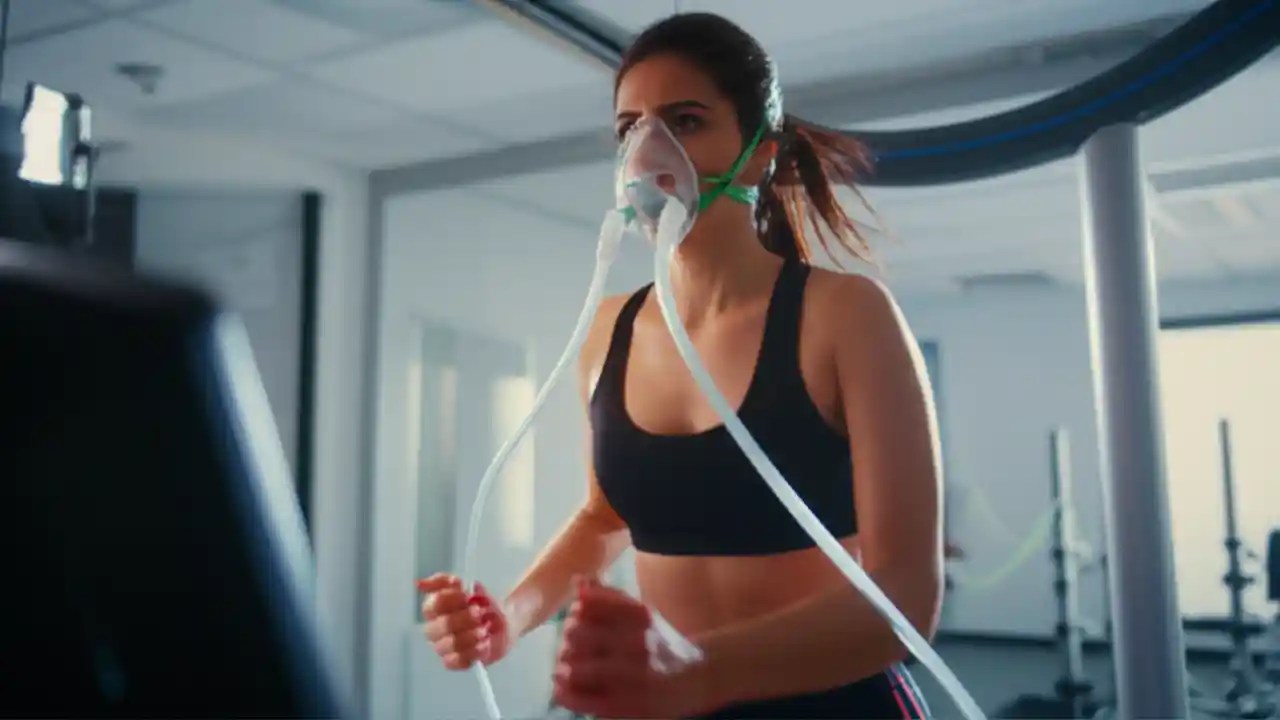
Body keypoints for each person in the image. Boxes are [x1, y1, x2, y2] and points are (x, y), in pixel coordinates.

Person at [417, 12, 944, 719]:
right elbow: (606, 518)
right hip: (667, 697)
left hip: (828, 701)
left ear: (761, 153)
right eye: (628, 127)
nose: (647, 151)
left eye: (685, 120)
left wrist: (699, 669)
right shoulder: (610, 328)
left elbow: (907, 593)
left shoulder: (844, 315)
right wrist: (511, 615)